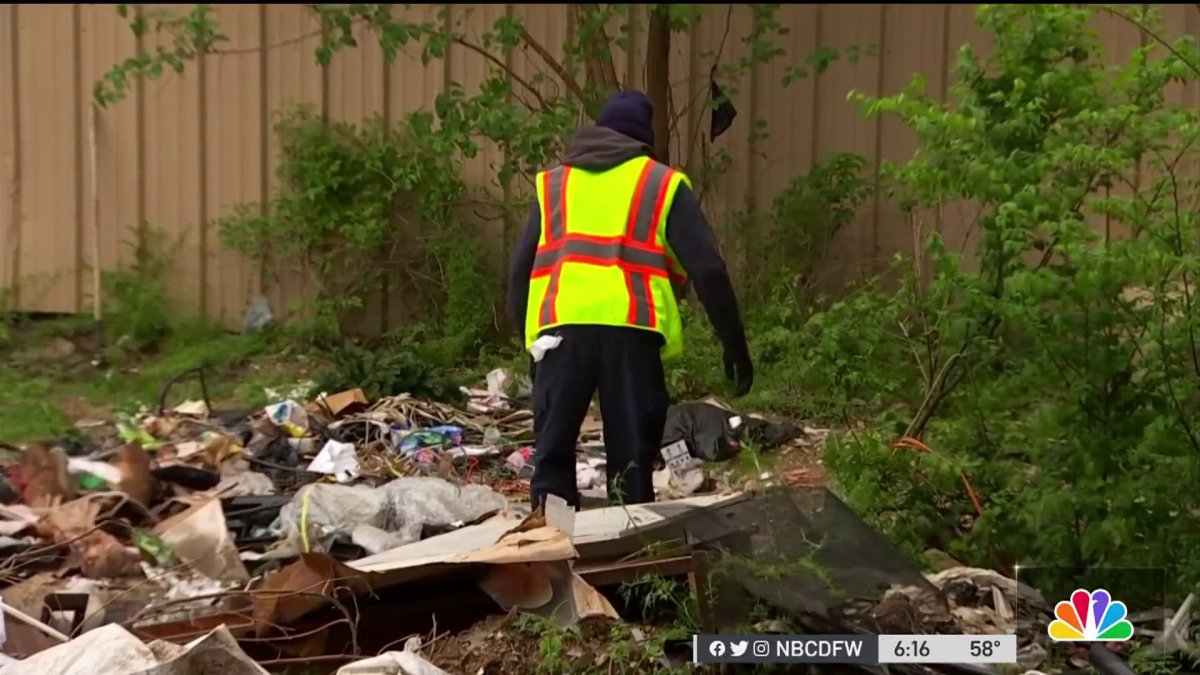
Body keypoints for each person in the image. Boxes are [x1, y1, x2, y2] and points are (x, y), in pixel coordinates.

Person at [507, 90, 753, 510]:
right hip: (631, 337)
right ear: (644, 139)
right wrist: (734, 345)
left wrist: (530, 343)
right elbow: (708, 270)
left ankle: (556, 563)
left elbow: (519, 272)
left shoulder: (553, 184)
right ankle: (634, 564)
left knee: (552, 461)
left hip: (560, 335)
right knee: (632, 462)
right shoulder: (659, 183)